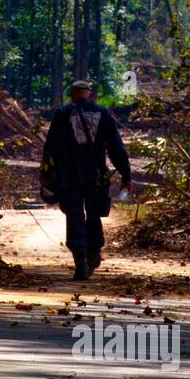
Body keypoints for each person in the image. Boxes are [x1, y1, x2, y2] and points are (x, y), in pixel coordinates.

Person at [40, 79, 131, 280]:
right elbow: (116, 148)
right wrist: (126, 175)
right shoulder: (103, 113)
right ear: (89, 94)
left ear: (72, 95)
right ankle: (95, 251)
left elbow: (51, 149)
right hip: (96, 175)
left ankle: (80, 258)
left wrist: (46, 176)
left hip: (69, 175)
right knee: (93, 214)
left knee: (74, 214)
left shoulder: (62, 114)